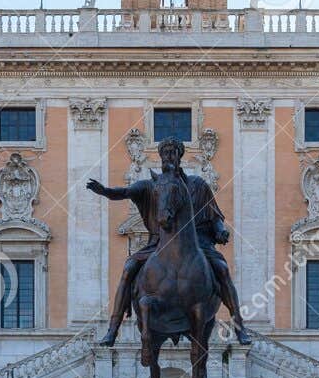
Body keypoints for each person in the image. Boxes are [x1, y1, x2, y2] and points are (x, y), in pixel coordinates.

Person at [87, 137, 252, 346]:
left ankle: (239, 327)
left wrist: (220, 230)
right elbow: (126, 192)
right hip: (158, 243)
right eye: (165, 152)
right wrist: (105, 191)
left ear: (179, 156)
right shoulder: (151, 185)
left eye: (173, 152)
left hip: (198, 242)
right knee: (128, 269)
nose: (168, 156)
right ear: (160, 156)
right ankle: (113, 329)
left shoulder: (198, 185)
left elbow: (214, 215)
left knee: (222, 269)